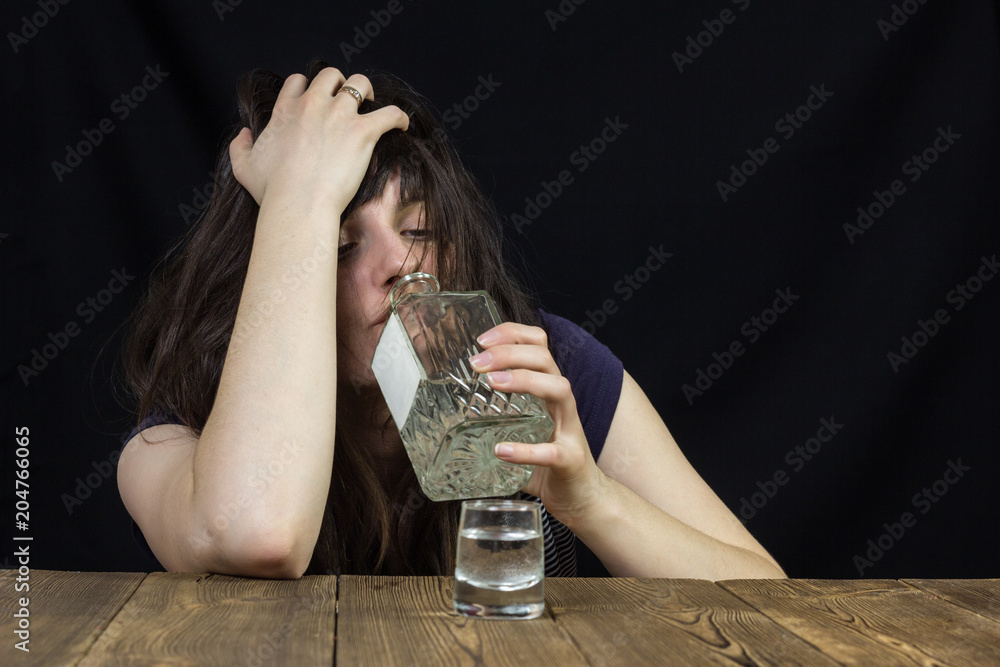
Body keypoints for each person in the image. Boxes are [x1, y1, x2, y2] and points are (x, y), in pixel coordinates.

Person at [117, 61, 785, 580]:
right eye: (342, 244)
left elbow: (766, 597)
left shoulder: (538, 369)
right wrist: (299, 197)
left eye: (421, 228)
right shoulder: (187, 432)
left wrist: (588, 498)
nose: (398, 265)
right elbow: (256, 532)